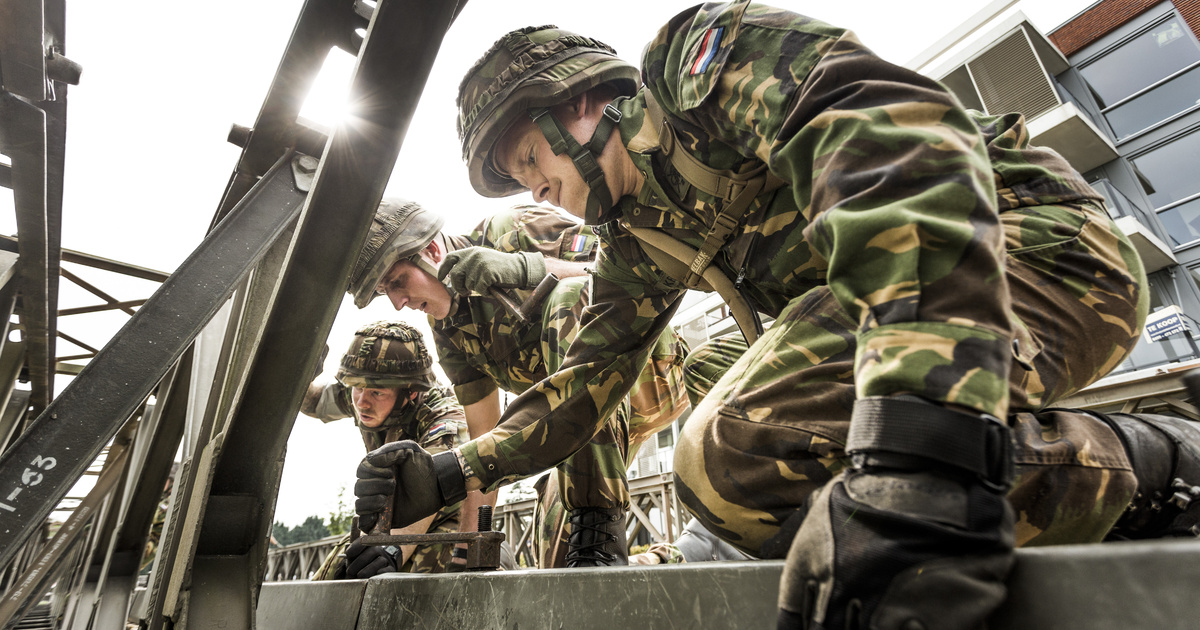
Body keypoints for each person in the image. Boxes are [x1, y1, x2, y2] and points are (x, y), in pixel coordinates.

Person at [360, 5, 1200, 628]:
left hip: (1030, 245)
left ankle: (1150, 462)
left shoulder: (693, 74)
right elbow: (582, 388)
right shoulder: (635, 240)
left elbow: (889, 145)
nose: (534, 190)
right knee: (754, 488)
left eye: (531, 161)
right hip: (910, 325)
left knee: (732, 446)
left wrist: (917, 436)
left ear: (578, 107)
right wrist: (448, 473)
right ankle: (1143, 478)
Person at [344, 199, 689, 567]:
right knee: (561, 566)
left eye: (398, 282)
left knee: (571, 298)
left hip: (649, 372)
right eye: (386, 291)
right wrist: (467, 548)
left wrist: (528, 269)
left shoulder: (515, 228)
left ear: (430, 250)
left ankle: (597, 522)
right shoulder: (448, 331)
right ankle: (664, 561)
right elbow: (483, 436)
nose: (398, 302)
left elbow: (632, 272)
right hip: (580, 428)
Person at [302, 321, 470, 577]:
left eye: (377, 393)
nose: (362, 403)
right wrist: (300, 378)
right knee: (334, 575)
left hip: (441, 518)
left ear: (411, 393)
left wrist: (393, 551)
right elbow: (315, 403)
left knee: (412, 578)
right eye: (357, 388)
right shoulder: (365, 393)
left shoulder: (444, 419)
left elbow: (432, 488)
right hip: (389, 516)